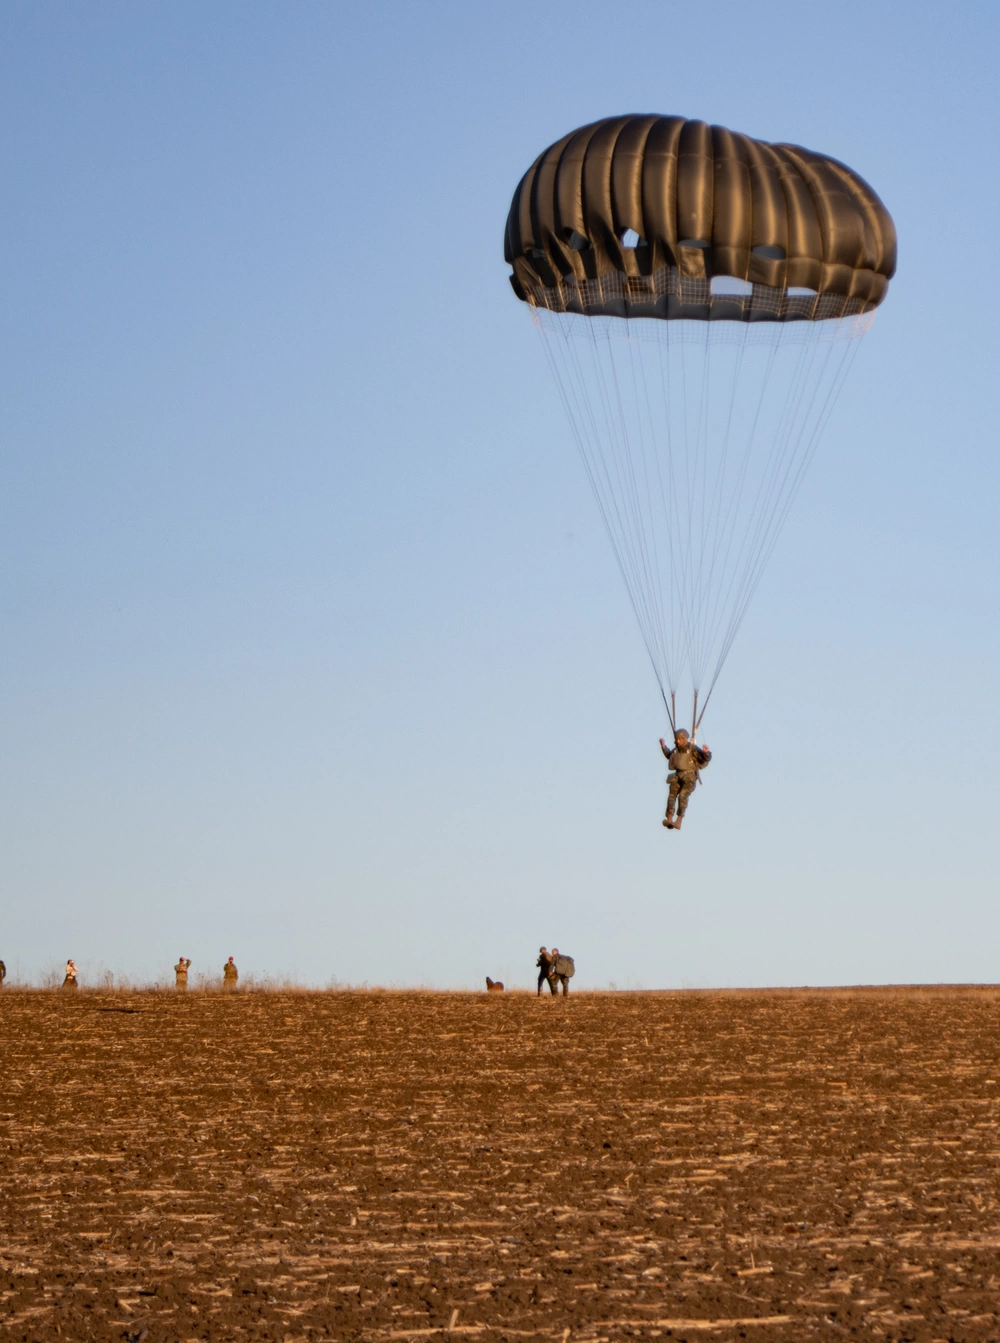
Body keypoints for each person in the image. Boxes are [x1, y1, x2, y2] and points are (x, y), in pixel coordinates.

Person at [659, 729, 712, 831]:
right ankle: (669, 818)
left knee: (683, 795)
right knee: (671, 795)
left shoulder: (692, 749)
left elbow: (704, 758)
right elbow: (669, 756)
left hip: (689, 777)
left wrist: (706, 753)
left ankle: (679, 820)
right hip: (678, 776)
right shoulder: (676, 750)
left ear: (684, 739)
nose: (678, 741)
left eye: (679, 739)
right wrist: (663, 746)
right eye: (677, 739)